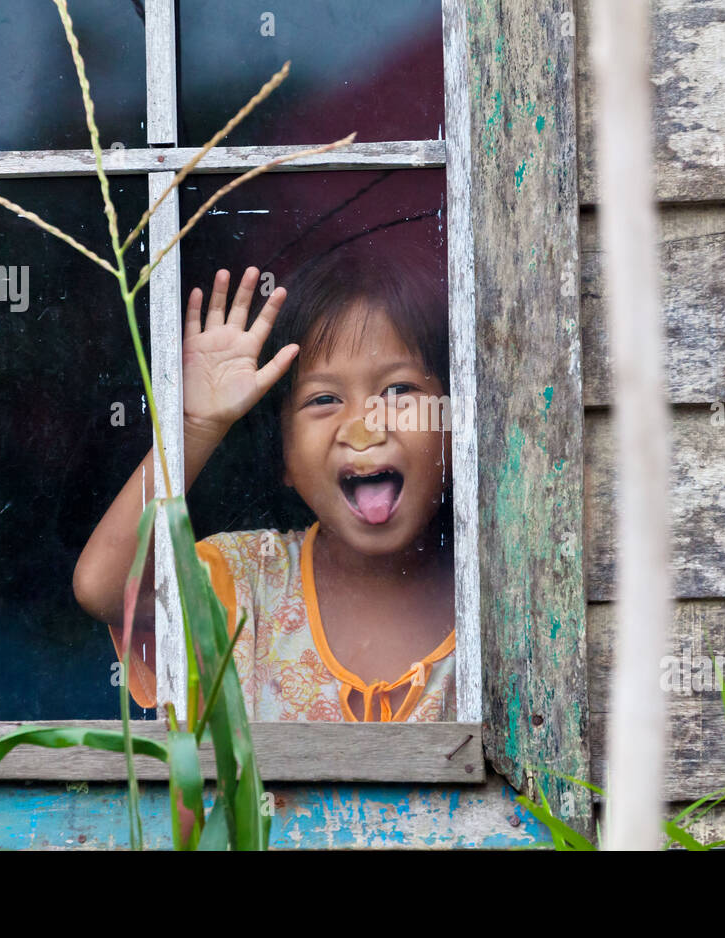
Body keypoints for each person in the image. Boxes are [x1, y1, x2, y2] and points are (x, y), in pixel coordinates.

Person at [72, 241, 457, 722]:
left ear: (454, 429)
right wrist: (194, 429)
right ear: (285, 461)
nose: (364, 428)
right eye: (323, 399)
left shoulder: (499, 591)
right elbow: (105, 588)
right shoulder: (247, 580)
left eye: (398, 390)